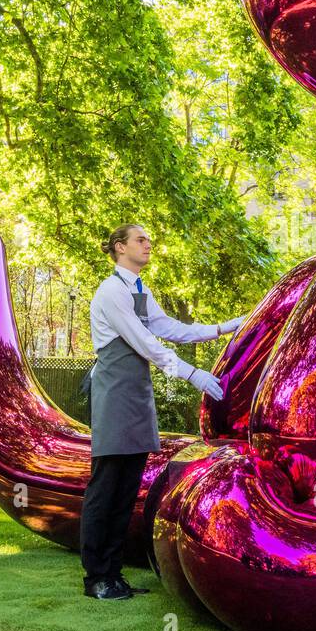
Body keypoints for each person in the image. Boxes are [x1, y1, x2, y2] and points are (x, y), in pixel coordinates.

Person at [82, 223, 245, 601]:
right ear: (120, 248)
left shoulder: (139, 290)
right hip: (114, 394)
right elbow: (146, 345)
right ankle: (95, 578)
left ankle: (114, 573)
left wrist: (224, 328)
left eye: (148, 239)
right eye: (140, 240)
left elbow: (170, 328)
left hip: (136, 395)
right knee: (105, 487)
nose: (148, 244)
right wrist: (193, 375)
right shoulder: (111, 292)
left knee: (126, 490)